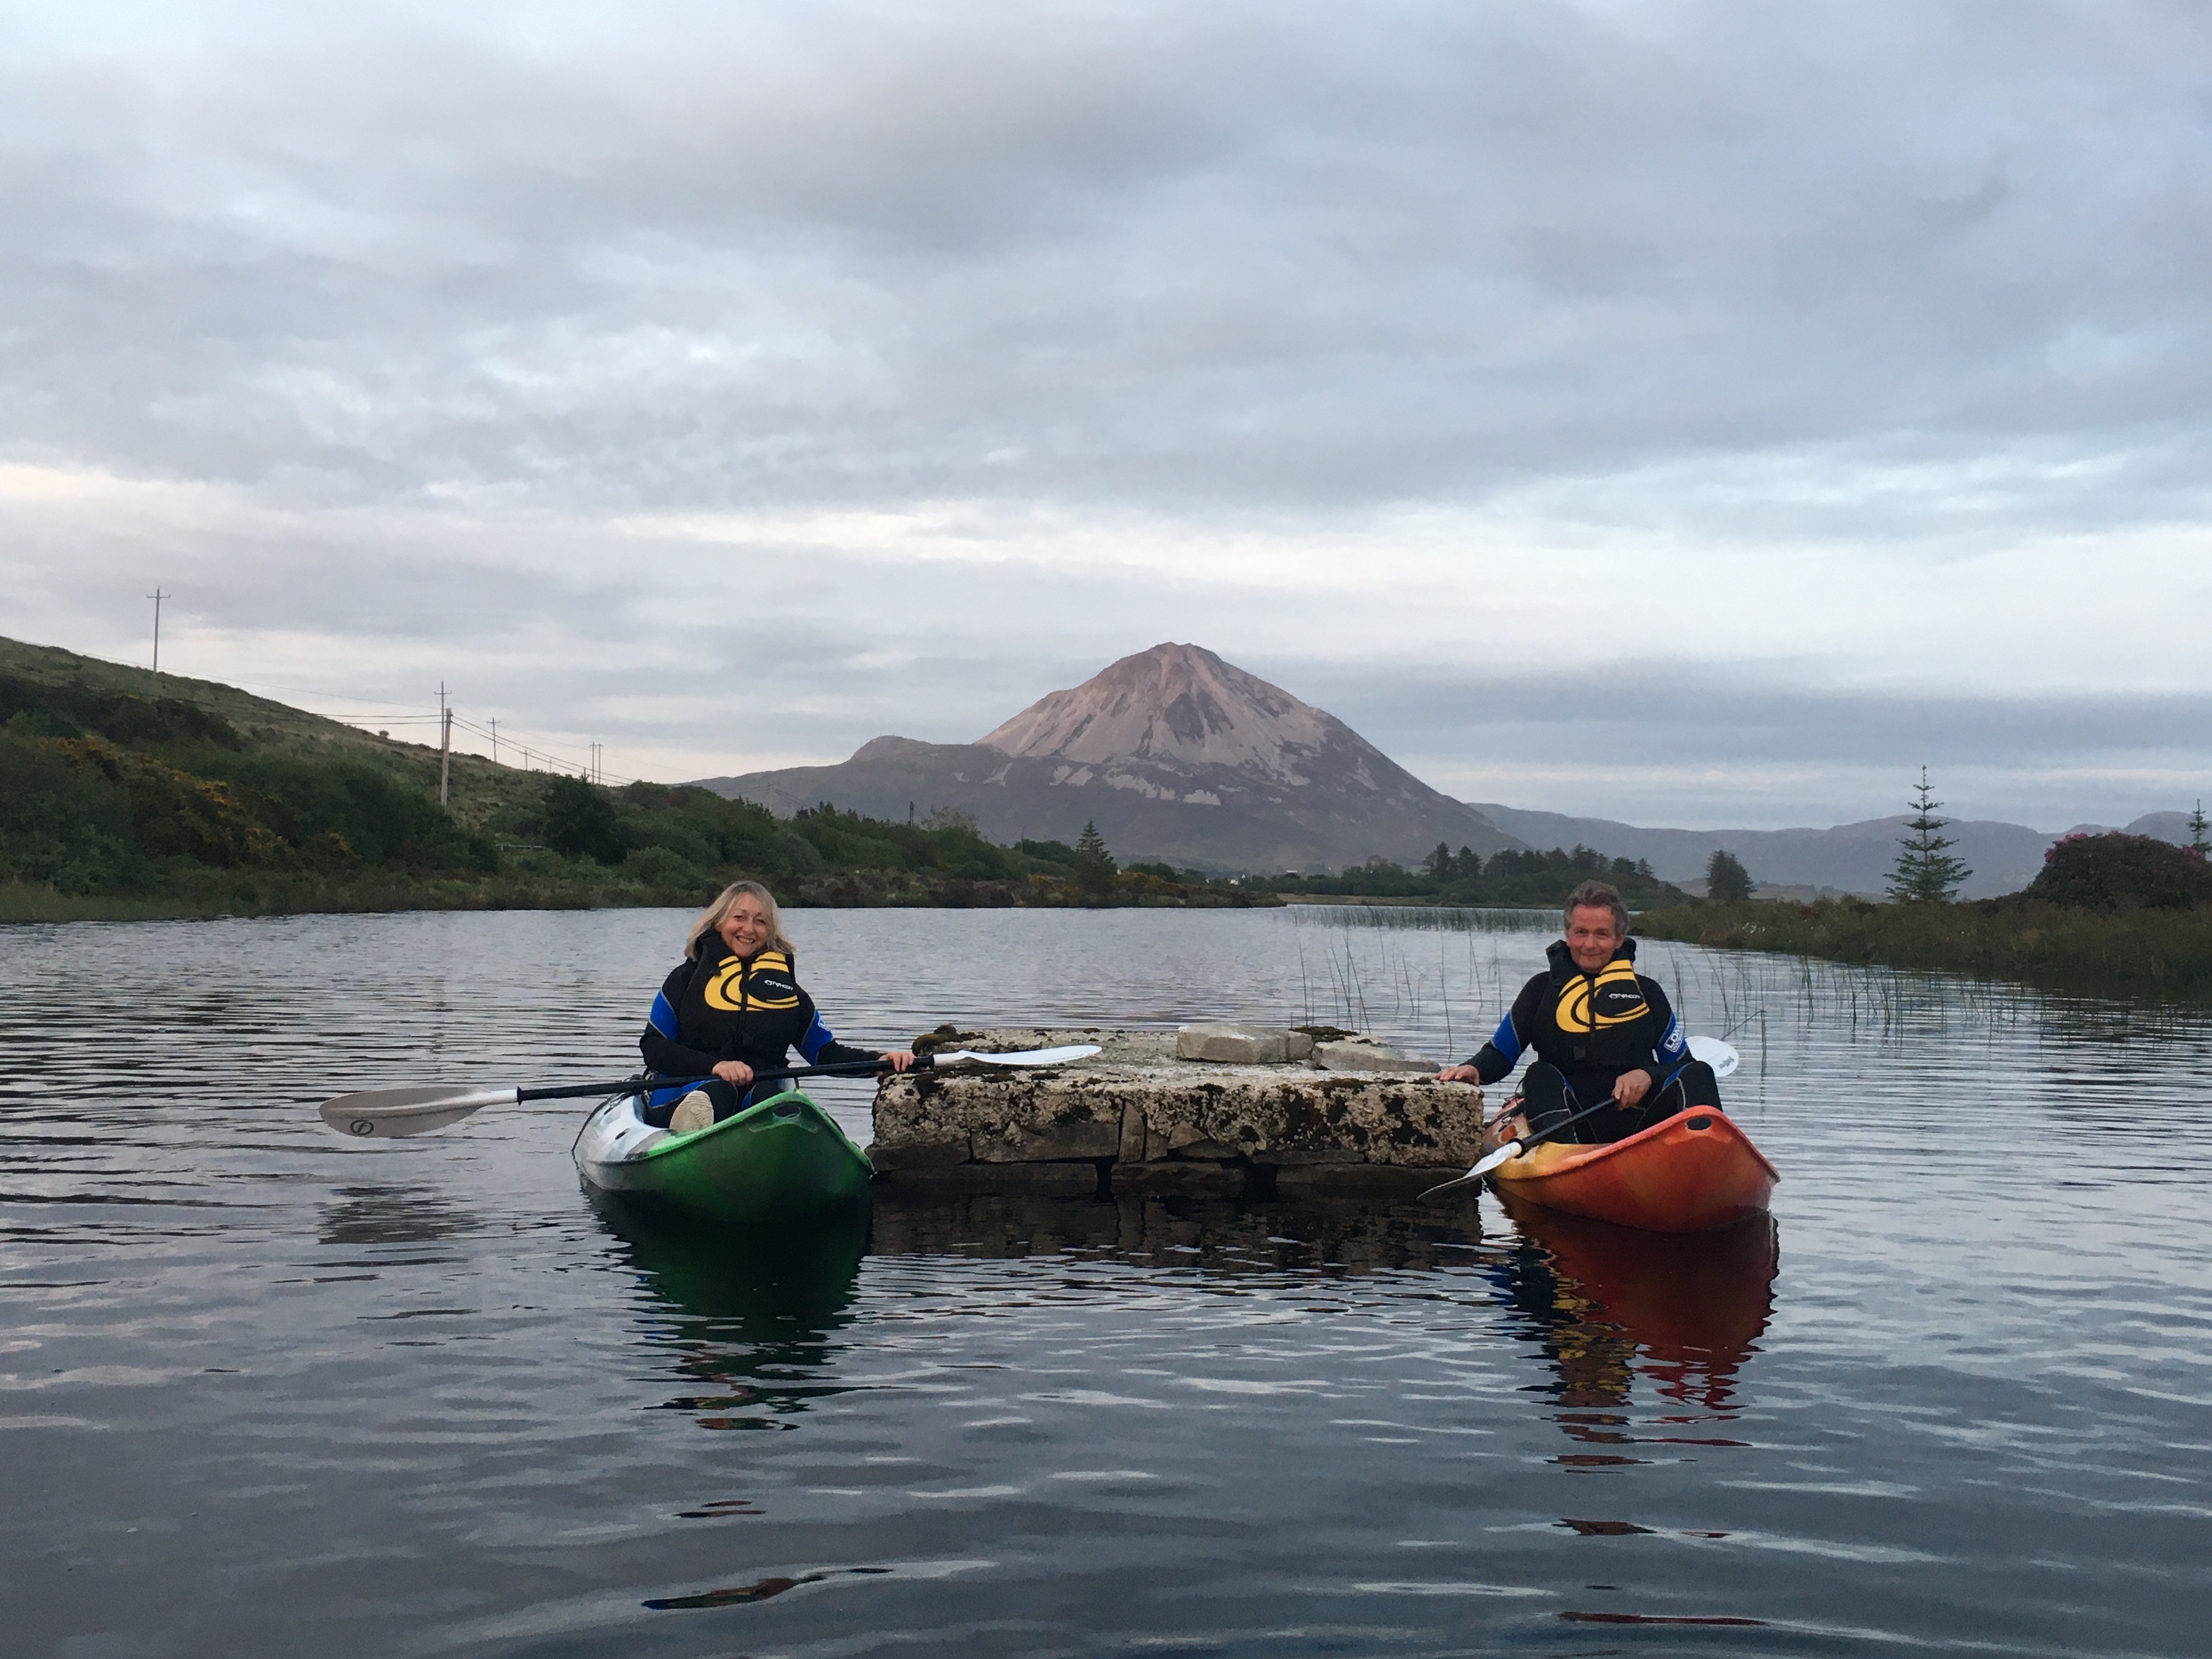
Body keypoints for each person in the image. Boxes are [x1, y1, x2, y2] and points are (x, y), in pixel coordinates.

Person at [1436, 878, 1718, 1143]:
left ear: (1620, 939)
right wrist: (1473, 1068)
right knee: (1539, 1073)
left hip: (1641, 1125)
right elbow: (1501, 1052)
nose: (1590, 945)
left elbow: (1682, 1064)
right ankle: (1567, 1162)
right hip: (1565, 1124)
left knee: (1699, 1072)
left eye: (1602, 934)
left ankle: (1707, 1157)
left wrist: (1647, 1075)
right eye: (1581, 933)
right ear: (1568, 934)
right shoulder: (1540, 990)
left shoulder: (1648, 992)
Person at [639, 880, 915, 1132]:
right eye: (739, 918)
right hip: (686, 1088)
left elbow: (825, 1054)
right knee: (716, 1095)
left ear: (769, 931)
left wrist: (879, 1061)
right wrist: (716, 1066)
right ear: (718, 923)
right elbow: (654, 1046)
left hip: (756, 1095)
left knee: (768, 1098)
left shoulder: (787, 993)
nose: (749, 929)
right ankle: (689, 1129)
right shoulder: (683, 981)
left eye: (761, 922)